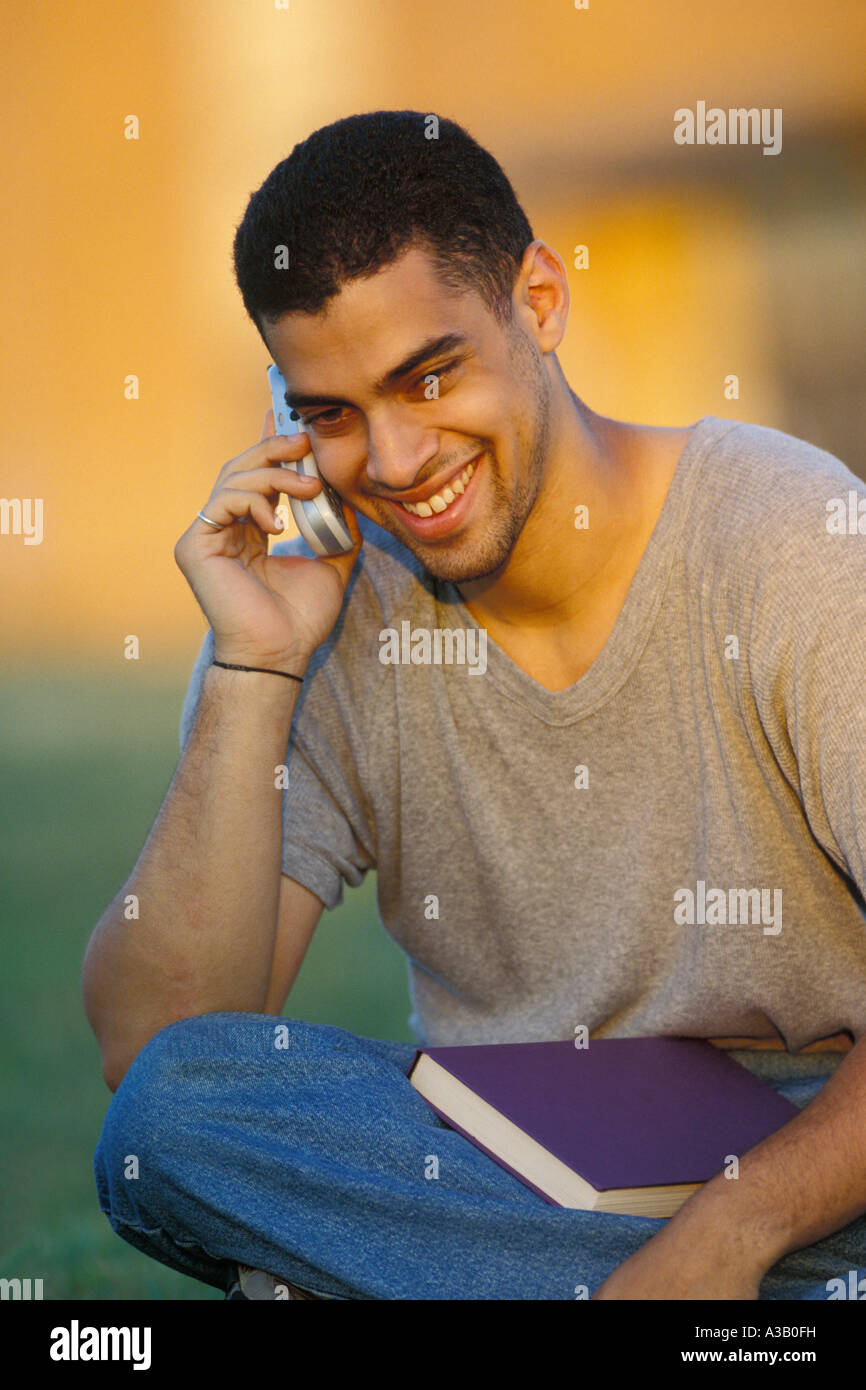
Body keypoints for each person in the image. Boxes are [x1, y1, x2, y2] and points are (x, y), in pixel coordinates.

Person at [83, 110, 866, 1301]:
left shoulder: (790, 538)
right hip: (514, 1169)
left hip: (816, 1157)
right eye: (331, 414)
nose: (393, 463)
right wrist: (254, 666)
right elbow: (155, 1048)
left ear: (538, 300)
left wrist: (728, 1231)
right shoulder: (326, 604)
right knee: (179, 1116)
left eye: (428, 376)